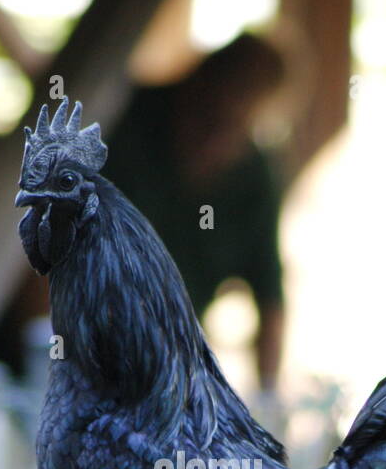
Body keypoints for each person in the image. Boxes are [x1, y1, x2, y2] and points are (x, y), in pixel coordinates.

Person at [105, 33, 287, 392]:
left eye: (235, 130)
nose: (216, 142)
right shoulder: (121, 125)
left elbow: (270, 304)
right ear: (192, 87)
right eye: (210, 119)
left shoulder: (252, 177)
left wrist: (268, 404)